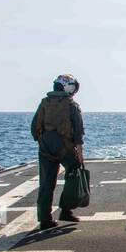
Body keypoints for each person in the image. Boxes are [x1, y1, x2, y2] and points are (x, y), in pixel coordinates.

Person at [30, 73, 86, 230]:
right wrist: (80, 154)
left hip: (45, 147)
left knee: (46, 183)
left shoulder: (45, 102)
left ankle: (44, 219)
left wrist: (43, 141)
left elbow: (34, 127)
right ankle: (66, 210)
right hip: (65, 147)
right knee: (74, 172)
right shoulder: (71, 105)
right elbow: (78, 133)